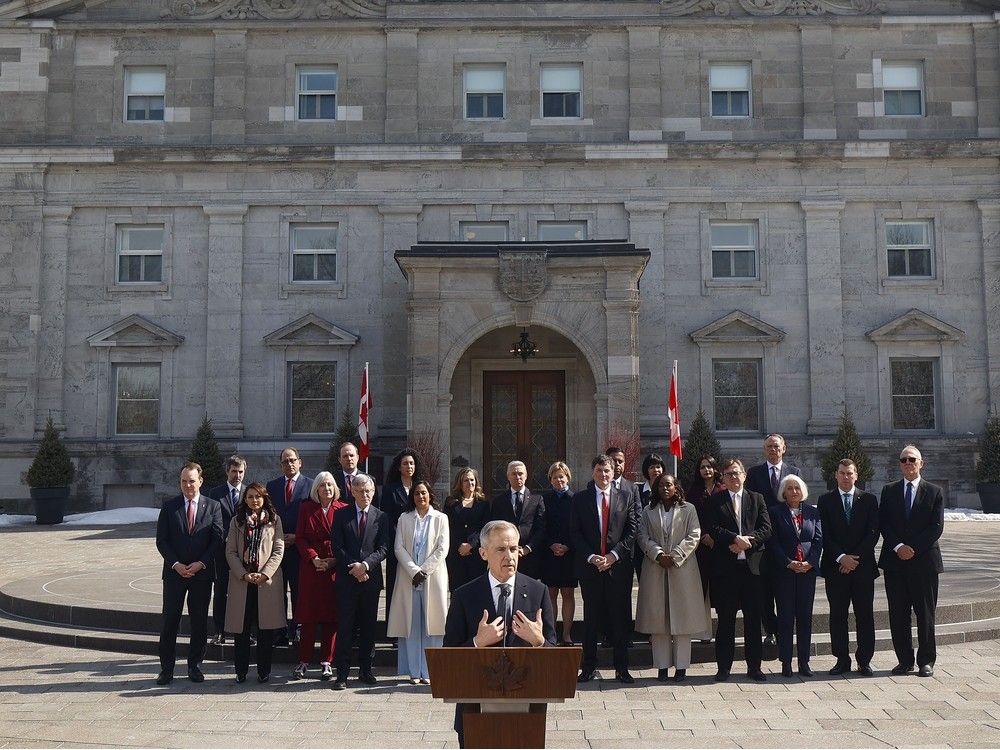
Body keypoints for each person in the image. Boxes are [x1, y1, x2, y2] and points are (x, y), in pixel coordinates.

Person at [443, 520, 557, 748]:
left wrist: (539, 641)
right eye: (501, 549)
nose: (509, 556)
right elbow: (447, 658)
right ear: (483, 553)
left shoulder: (538, 591)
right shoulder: (464, 595)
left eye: (514, 549)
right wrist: (477, 642)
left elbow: (555, 657)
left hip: (527, 711)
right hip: (475, 710)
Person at [571, 454, 639, 683]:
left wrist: (613, 555)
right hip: (590, 568)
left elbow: (632, 530)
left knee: (619, 619)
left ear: (613, 472)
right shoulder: (580, 499)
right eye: (599, 470)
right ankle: (588, 667)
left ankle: (622, 668)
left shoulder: (626, 496)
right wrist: (592, 557)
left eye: (607, 470)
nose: (603, 475)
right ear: (593, 472)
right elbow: (575, 533)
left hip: (617, 568)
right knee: (590, 620)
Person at [154, 462, 223, 686]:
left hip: (201, 575)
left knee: (199, 622)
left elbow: (217, 539)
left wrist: (201, 563)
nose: (188, 485)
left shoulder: (213, 506)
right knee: (170, 621)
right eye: (183, 481)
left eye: (192, 481)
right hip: (175, 574)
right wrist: (175, 564)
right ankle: (166, 669)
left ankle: (195, 666)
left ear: (200, 481)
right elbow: (162, 540)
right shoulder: (169, 507)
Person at [878, 445, 944, 678]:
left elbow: (936, 527)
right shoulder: (889, 491)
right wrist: (898, 547)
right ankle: (904, 660)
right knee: (898, 614)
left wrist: (912, 548)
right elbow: (884, 523)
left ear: (921, 463)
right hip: (895, 562)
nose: (908, 463)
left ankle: (926, 661)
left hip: (924, 562)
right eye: (904, 460)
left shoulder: (935, 491)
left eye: (912, 459)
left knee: (925, 614)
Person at [635, 474, 709, 683]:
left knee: (682, 620)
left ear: (676, 487)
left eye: (669, 485)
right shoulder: (648, 511)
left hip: (682, 568)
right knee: (659, 620)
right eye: (661, 485)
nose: (665, 488)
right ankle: (661, 666)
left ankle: (681, 667)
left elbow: (694, 534)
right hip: (655, 567)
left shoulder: (689, 509)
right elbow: (642, 535)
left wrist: (675, 556)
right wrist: (658, 554)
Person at [709, 458, 772, 682]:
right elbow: (712, 527)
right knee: (726, 621)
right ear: (723, 479)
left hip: (752, 570)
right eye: (729, 474)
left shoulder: (757, 498)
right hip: (727, 571)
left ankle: (754, 667)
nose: (733, 477)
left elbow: (766, 528)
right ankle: (723, 668)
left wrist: (747, 542)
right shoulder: (716, 501)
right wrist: (734, 538)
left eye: (737, 473)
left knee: (753, 621)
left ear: (744, 475)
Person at [817, 459, 879, 677]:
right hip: (835, 568)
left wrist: (853, 560)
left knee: (865, 615)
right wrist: (842, 558)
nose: (845, 477)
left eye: (849, 473)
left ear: (856, 475)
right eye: (842, 473)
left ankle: (865, 660)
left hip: (863, 568)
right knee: (838, 615)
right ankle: (842, 660)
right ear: (835, 475)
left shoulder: (869, 499)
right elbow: (823, 533)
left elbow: (873, 532)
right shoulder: (825, 500)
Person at [331, 473, 391, 690]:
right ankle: (342, 674)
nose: (365, 494)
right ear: (353, 492)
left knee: (368, 627)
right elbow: (337, 546)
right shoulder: (341, 515)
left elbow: (383, 548)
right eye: (360, 491)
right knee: (345, 627)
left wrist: (365, 566)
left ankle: (366, 670)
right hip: (347, 580)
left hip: (370, 580)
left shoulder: (381, 517)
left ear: (373, 492)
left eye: (368, 491)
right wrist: (354, 568)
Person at [387, 479, 449, 684]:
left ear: (430, 495)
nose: (420, 497)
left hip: (433, 577)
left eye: (424, 493)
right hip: (409, 578)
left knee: (433, 624)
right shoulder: (404, 518)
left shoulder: (441, 518)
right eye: (416, 493)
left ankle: (431, 671)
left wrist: (424, 571)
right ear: (412, 497)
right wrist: (414, 571)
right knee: (412, 625)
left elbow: (443, 548)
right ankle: (414, 671)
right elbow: (398, 548)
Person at [225, 482, 285, 684]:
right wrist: (243, 574)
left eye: (258, 496)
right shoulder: (237, 521)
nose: (254, 500)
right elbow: (230, 552)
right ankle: (241, 671)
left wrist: (265, 574)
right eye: (250, 496)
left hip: (265, 582)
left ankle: (263, 671)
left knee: (265, 630)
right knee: (241, 630)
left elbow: (278, 550)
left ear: (264, 498)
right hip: (243, 582)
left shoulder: (274, 520)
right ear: (245, 499)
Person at [745, 434, 801, 646]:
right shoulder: (754, 473)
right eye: (769, 446)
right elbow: (751, 505)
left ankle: (785, 632)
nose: (773, 449)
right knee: (764, 591)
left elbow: (798, 502)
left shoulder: (794, 472)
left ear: (783, 448)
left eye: (776, 446)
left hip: (786, 540)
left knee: (785, 591)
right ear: (764, 449)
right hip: (763, 542)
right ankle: (770, 630)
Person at [292, 471, 347, 681]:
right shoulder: (306, 508)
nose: (327, 489)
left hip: (333, 567)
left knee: (331, 617)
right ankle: (304, 660)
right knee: (308, 616)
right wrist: (313, 558)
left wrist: (334, 560)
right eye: (323, 485)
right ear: (316, 489)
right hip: (311, 568)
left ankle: (326, 661)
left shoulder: (342, 509)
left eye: (330, 485)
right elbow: (300, 537)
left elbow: (345, 540)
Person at [768, 475, 821, 678]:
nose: (794, 491)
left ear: (803, 491)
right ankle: (786, 662)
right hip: (784, 572)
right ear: (784, 492)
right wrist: (788, 562)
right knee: (786, 618)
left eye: (797, 488)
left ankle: (804, 662)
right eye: (789, 488)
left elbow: (818, 540)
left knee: (805, 617)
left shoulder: (812, 512)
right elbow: (773, 542)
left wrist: (810, 562)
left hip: (807, 572)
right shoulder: (775, 512)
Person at [265, 447, 313, 647]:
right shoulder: (272, 486)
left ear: (300, 462)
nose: (289, 464)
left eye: (293, 460)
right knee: (278, 592)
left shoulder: (310, 485)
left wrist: (298, 536)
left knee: (299, 591)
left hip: (299, 549)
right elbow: (268, 515)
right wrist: (277, 537)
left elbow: (312, 517)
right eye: (285, 461)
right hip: (277, 549)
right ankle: (280, 631)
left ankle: (298, 629)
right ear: (280, 465)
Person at [206, 454, 247, 645]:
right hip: (221, 552)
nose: (237, 475)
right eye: (234, 471)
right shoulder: (215, 493)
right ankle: (219, 631)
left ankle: (245, 632)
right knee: (221, 591)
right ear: (227, 472)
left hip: (245, 553)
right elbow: (211, 522)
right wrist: (225, 539)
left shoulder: (250, 493)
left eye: (240, 472)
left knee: (244, 593)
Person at [381, 448, 423, 612]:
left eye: (412, 463)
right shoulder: (390, 490)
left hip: (419, 544)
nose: (409, 466)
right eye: (405, 464)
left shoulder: (420, 488)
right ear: (399, 467)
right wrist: (401, 538)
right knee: (395, 585)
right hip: (397, 544)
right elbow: (387, 518)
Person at [489, 460, 546, 579]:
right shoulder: (499, 501)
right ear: (508, 476)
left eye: (520, 473)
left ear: (526, 476)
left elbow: (541, 528)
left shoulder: (537, 499)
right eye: (514, 474)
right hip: (506, 557)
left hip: (530, 557)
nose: (518, 477)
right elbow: (494, 529)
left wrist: (528, 548)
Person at [541, 461, 577, 646]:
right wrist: (551, 544)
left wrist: (568, 545)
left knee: (568, 593)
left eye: (561, 477)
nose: (558, 480)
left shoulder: (575, 499)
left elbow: (579, 527)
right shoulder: (544, 500)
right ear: (550, 480)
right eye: (555, 477)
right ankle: (552, 634)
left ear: (567, 478)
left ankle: (567, 635)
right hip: (550, 554)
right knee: (551, 594)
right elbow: (541, 526)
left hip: (569, 553)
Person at [686, 455, 725, 614]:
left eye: (709, 466)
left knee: (721, 587)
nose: (706, 470)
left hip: (720, 544)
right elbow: (690, 517)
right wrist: (704, 535)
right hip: (700, 545)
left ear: (715, 469)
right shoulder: (693, 491)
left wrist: (714, 537)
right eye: (702, 467)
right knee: (701, 585)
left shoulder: (723, 489)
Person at [444, 467, 488, 592]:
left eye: (472, 480)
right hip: (456, 554)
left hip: (476, 555)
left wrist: (471, 545)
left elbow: (484, 528)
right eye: (466, 480)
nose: (470, 483)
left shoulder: (483, 503)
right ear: (460, 483)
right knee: (457, 591)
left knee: (476, 591)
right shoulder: (451, 503)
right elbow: (446, 527)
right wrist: (459, 545)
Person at [634, 453, 666, 582]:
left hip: (663, 544)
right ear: (646, 470)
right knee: (645, 583)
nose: (655, 470)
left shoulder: (668, 490)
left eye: (658, 466)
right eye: (651, 467)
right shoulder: (637, 490)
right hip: (642, 545)